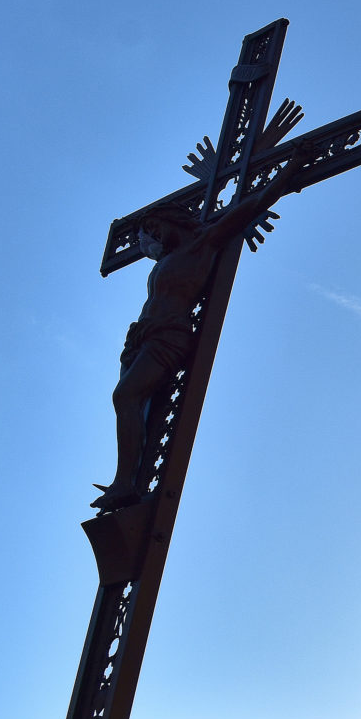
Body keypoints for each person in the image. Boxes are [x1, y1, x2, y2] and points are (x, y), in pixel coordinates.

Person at [92, 159, 301, 512]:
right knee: (133, 404)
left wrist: (290, 170)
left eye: (154, 229)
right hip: (140, 337)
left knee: (125, 396)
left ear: (172, 221)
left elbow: (253, 204)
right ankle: (127, 480)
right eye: (146, 234)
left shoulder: (202, 243)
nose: (149, 239)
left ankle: (125, 483)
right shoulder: (164, 262)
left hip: (168, 335)